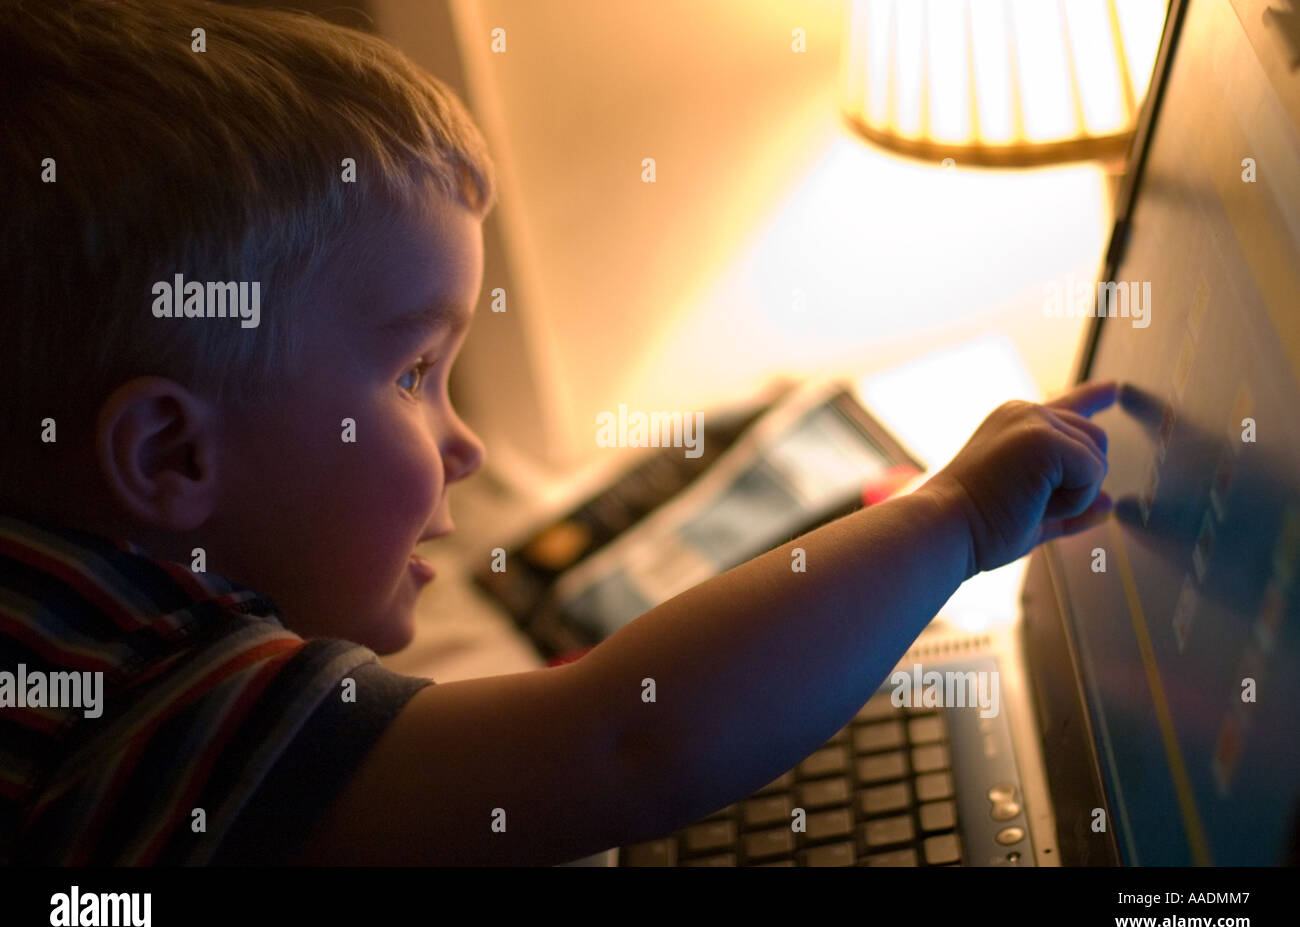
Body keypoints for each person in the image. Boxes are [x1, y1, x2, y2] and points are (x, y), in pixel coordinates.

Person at [0, 0, 1116, 865]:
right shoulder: (154, 720)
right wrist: (954, 518)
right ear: (169, 456)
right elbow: (625, 744)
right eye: (413, 372)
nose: (464, 443)